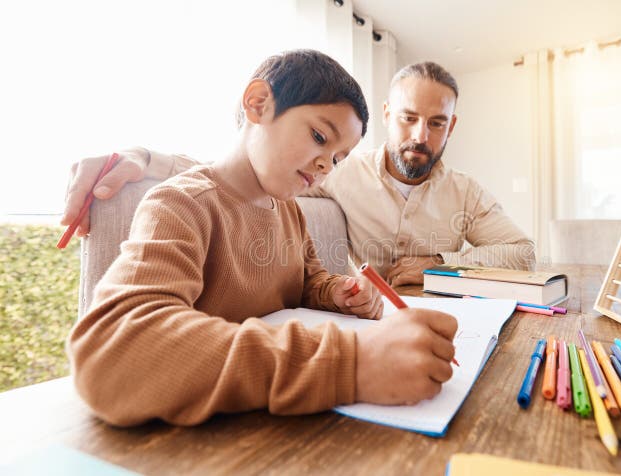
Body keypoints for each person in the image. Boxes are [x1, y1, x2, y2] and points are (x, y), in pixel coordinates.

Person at [68, 50, 457, 427]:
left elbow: (307, 281)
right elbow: (119, 352)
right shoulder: (181, 204)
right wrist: (350, 364)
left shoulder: (289, 210)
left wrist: (337, 291)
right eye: (320, 136)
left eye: (338, 158)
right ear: (257, 104)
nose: (326, 165)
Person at [62, 62, 535, 287]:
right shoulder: (339, 169)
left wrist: (444, 265)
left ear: (451, 128)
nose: (420, 135)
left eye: (436, 124)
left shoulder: (466, 193)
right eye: (409, 118)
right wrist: (145, 158)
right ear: (389, 115)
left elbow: (522, 252)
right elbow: (242, 169)